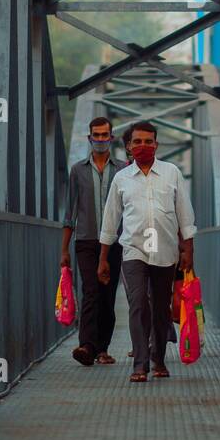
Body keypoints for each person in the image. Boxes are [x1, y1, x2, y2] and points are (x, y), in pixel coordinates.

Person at [98, 121, 195, 383]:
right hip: (133, 250)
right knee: (138, 305)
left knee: (161, 309)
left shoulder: (172, 172)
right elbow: (110, 219)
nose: (143, 146)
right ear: (128, 147)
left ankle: (159, 359)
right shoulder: (121, 179)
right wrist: (103, 258)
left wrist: (188, 250)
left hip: (165, 250)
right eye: (137, 142)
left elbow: (185, 215)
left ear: (156, 144)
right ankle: (140, 364)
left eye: (148, 141)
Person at [61, 116, 126, 367]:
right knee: (90, 291)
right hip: (86, 241)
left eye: (104, 135)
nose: (100, 140)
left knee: (107, 296)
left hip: (115, 243)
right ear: (89, 138)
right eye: (95, 135)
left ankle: (102, 348)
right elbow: (70, 211)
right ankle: (87, 345)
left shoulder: (122, 170)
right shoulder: (77, 170)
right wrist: (64, 249)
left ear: (111, 137)